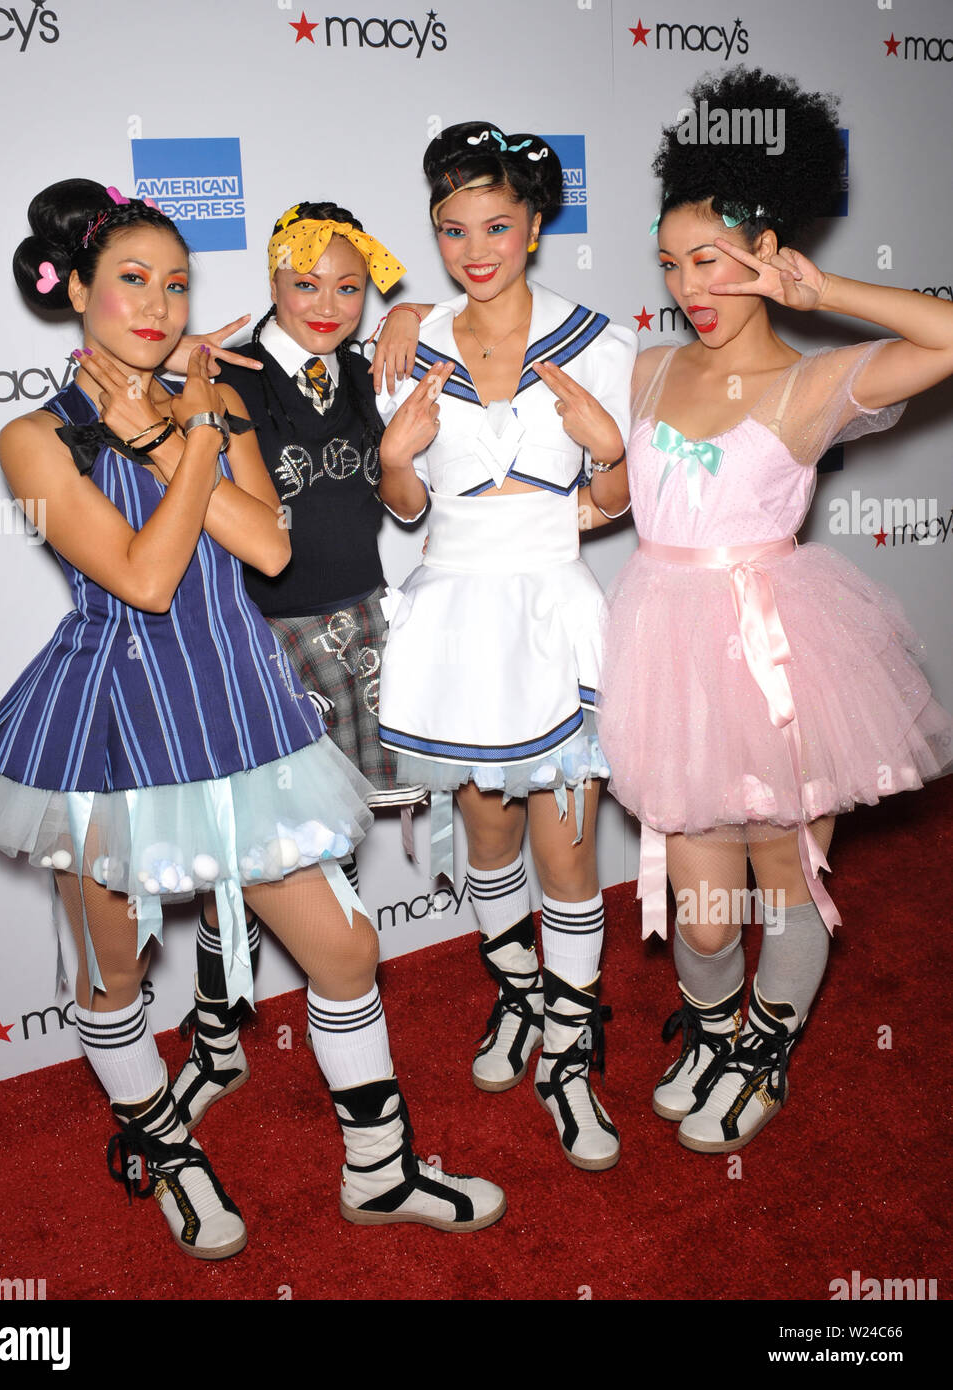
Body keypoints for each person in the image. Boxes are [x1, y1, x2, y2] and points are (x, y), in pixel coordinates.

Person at [0, 179, 505, 1260]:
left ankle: (379, 1173)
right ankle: (167, 1148)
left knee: (344, 948)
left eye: (174, 282)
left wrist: (172, 428)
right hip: (111, 723)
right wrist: (190, 431)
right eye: (130, 281)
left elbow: (267, 548)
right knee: (112, 972)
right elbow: (146, 579)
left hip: (237, 703)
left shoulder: (210, 402)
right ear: (75, 294)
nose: (157, 305)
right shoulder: (34, 438)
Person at [596, 68, 953, 1153]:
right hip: (664, 648)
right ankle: (714, 1030)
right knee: (702, 915)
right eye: (669, 262)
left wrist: (820, 290)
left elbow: (944, 339)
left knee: (784, 880)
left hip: (778, 656)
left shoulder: (816, 383)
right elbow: (590, 454)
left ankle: (766, 1046)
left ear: (761, 251)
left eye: (707, 258)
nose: (684, 283)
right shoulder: (650, 367)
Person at [374, 123, 637, 1171]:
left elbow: (613, 502)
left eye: (494, 223)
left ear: (533, 225)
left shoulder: (604, 342)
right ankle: (516, 998)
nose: (473, 247)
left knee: (566, 850)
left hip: (550, 611)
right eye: (450, 229)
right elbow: (401, 506)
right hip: (448, 613)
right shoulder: (403, 340)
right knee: (487, 841)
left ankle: (570, 1054)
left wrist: (606, 459)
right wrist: (394, 458)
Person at [169, 201, 429, 1131]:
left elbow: (466, 325)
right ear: (271, 281)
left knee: (336, 847)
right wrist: (177, 359)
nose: (327, 303)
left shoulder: (371, 367)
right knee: (243, 862)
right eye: (305, 283)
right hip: (262, 640)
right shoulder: (228, 373)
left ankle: (333, 1014)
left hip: (358, 631)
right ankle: (214, 1035)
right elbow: (137, 400)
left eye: (350, 287)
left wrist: (407, 313)